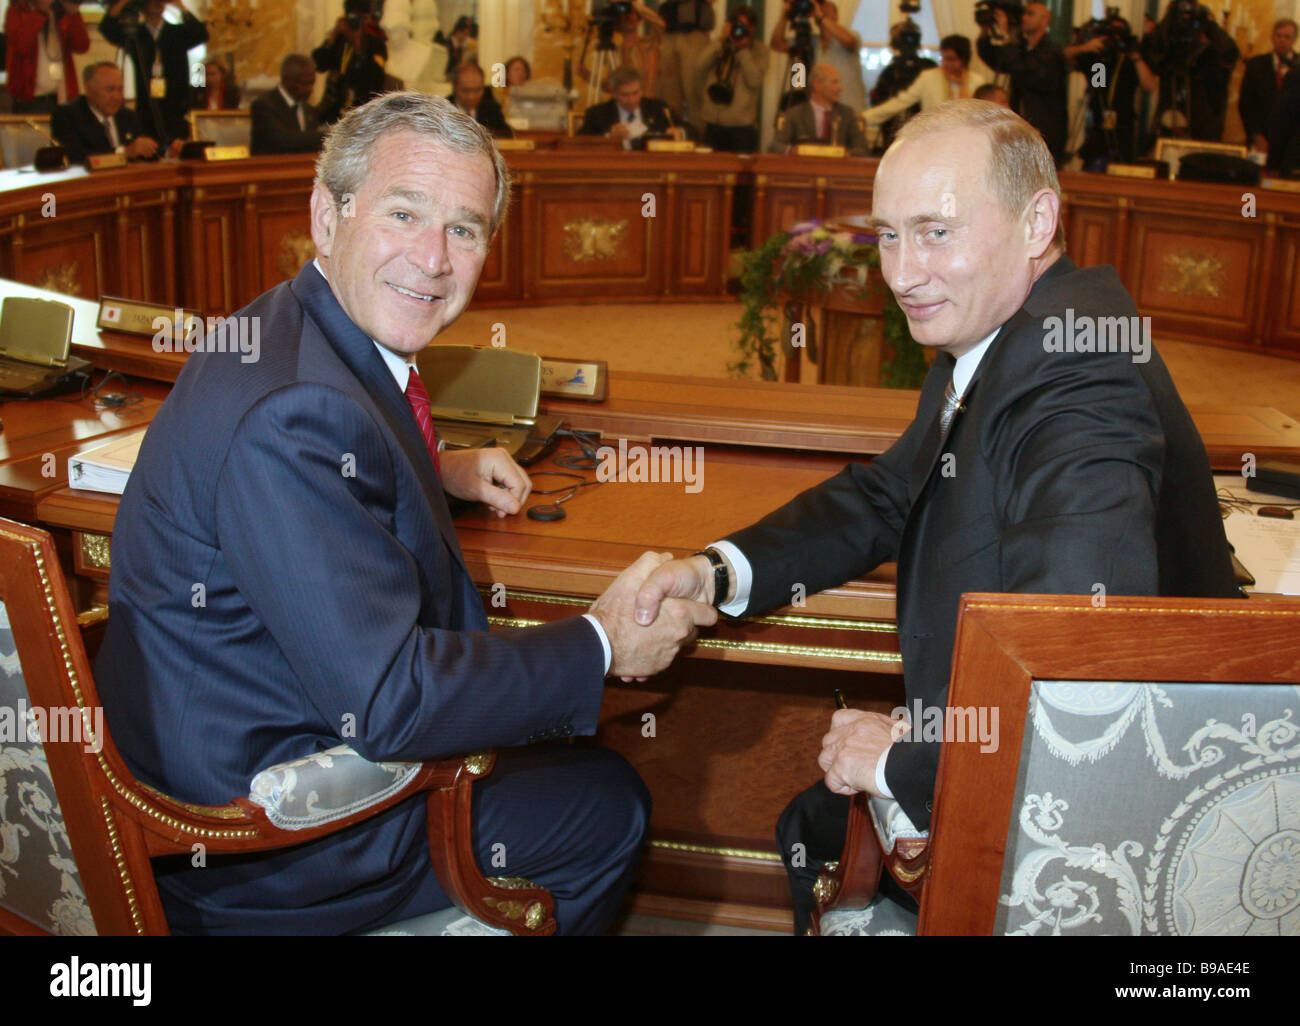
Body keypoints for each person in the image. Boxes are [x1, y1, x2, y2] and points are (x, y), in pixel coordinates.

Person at [94, 90, 715, 936]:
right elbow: (389, 701)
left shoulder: (282, 331)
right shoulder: (295, 414)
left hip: (208, 748)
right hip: (268, 847)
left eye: (465, 228)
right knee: (606, 799)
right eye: (403, 213)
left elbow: (319, 475)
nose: (432, 258)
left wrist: (432, 468)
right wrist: (601, 641)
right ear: (326, 213)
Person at [632, 100, 1239, 935]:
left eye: (935, 233)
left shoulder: (1080, 374)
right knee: (812, 827)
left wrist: (901, 761)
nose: (901, 272)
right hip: (1004, 753)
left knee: (813, 827)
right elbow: (889, 496)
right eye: (886, 235)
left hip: (1099, 831)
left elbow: (1075, 666)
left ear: (1038, 222)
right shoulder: (1009, 332)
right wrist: (717, 571)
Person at [100, 0, 208, 150]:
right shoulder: (135, 35)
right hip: (147, 107)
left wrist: (180, 6)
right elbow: (107, 28)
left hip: (177, 106)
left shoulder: (177, 33)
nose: (158, 3)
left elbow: (201, 33)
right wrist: (122, 2)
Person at [978, 1, 1069, 165]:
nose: (1024, 18)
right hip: (1019, 123)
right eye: (1024, 13)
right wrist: (985, 31)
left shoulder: (1052, 51)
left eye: (1030, 14)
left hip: (1046, 128)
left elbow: (1027, 72)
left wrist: (1006, 38)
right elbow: (997, 61)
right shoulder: (1020, 48)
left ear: (1045, 21)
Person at [1141, 0, 1238, 142]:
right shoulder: (1171, 50)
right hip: (1171, 117)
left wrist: (1209, 24)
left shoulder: (1212, 53)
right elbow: (1153, 58)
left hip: (1204, 123)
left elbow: (1230, 52)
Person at [865, 35, 987, 141]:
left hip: (968, 142)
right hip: (933, 141)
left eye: (951, 59)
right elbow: (900, 102)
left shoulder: (978, 81)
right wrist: (866, 117)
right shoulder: (929, 78)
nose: (946, 63)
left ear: (964, 59)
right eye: (943, 58)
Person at [694, 5, 769, 153]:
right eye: (737, 25)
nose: (740, 30)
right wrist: (721, 40)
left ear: (753, 28)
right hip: (713, 123)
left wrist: (743, 51)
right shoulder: (719, 45)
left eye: (745, 26)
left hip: (741, 127)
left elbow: (755, 80)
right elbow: (698, 65)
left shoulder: (760, 50)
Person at [51, 60, 160, 162]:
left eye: (120, 89)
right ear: (89, 89)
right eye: (110, 90)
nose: (116, 97)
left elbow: (145, 152)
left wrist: (168, 151)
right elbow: (75, 157)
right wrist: (124, 152)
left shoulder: (127, 116)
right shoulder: (67, 116)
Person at [770, 0, 865, 114]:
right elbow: (777, 44)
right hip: (824, 113)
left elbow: (849, 41)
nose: (821, 11)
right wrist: (785, 16)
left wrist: (821, 16)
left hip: (850, 110)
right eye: (818, 9)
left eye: (826, 11)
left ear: (836, 16)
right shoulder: (811, 42)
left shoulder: (851, 35)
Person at [4, 0, 89, 115]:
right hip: (33, 98)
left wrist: (73, 13)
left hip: (63, 95)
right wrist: (41, 12)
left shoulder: (60, 12)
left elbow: (82, 46)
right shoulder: (18, 10)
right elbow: (21, 45)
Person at [312, 0, 387, 124]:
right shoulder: (339, 39)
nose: (355, 21)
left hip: (362, 110)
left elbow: (375, 78)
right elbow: (319, 65)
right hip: (333, 109)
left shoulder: (376, 44)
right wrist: (332, 36)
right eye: (351, 17)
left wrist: (358, 45)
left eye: (360, 17)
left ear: (367, 18)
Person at [769, 63, 868, 155]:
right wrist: (792, 150)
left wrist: (844, 153)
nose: (840, 88)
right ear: (817, 85)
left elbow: (862, 148)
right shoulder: (795, 114)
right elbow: (775, 146)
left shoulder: (846, 114)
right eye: (834, 82)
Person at [579, 64, 685, 148]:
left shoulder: (658, 108)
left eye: (635, 93)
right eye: (625, 95)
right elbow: (582, 143)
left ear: (641, 90)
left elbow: (692, 131)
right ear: (614, 93)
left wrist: (680, 132)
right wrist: (609, 138)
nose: (632, 100)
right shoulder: (597, 114)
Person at [1239, 18, 1297, 154]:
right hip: (1260, 138)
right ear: (1272, 37)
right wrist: (1256, 135)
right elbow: (1246, 104)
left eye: (1287, 37)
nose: (1282, 40)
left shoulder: (1298, 66)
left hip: (1292, 143)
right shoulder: (1256, 65)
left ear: (1294, 40)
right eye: (1278, 36)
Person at [657, 0, 714, 133]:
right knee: (668, 96)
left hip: (694, 34)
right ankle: (670, 136)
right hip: (668, 33)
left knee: (695, 93)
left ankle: (698, 138)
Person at [250, 54, 324, 155]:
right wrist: (326, 136)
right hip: (270, 167)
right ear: (287, 80)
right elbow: (283, 140)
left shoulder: (309, 110)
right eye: (305, 84)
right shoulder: (264, 105)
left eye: (312, 83)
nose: (310, 89)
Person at [448, 62, 512, 139]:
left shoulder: (492, 108)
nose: (471, 97)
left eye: (477, 90)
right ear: (454, 88)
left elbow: (506, 135)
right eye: (465, 91)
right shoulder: (444, 109)